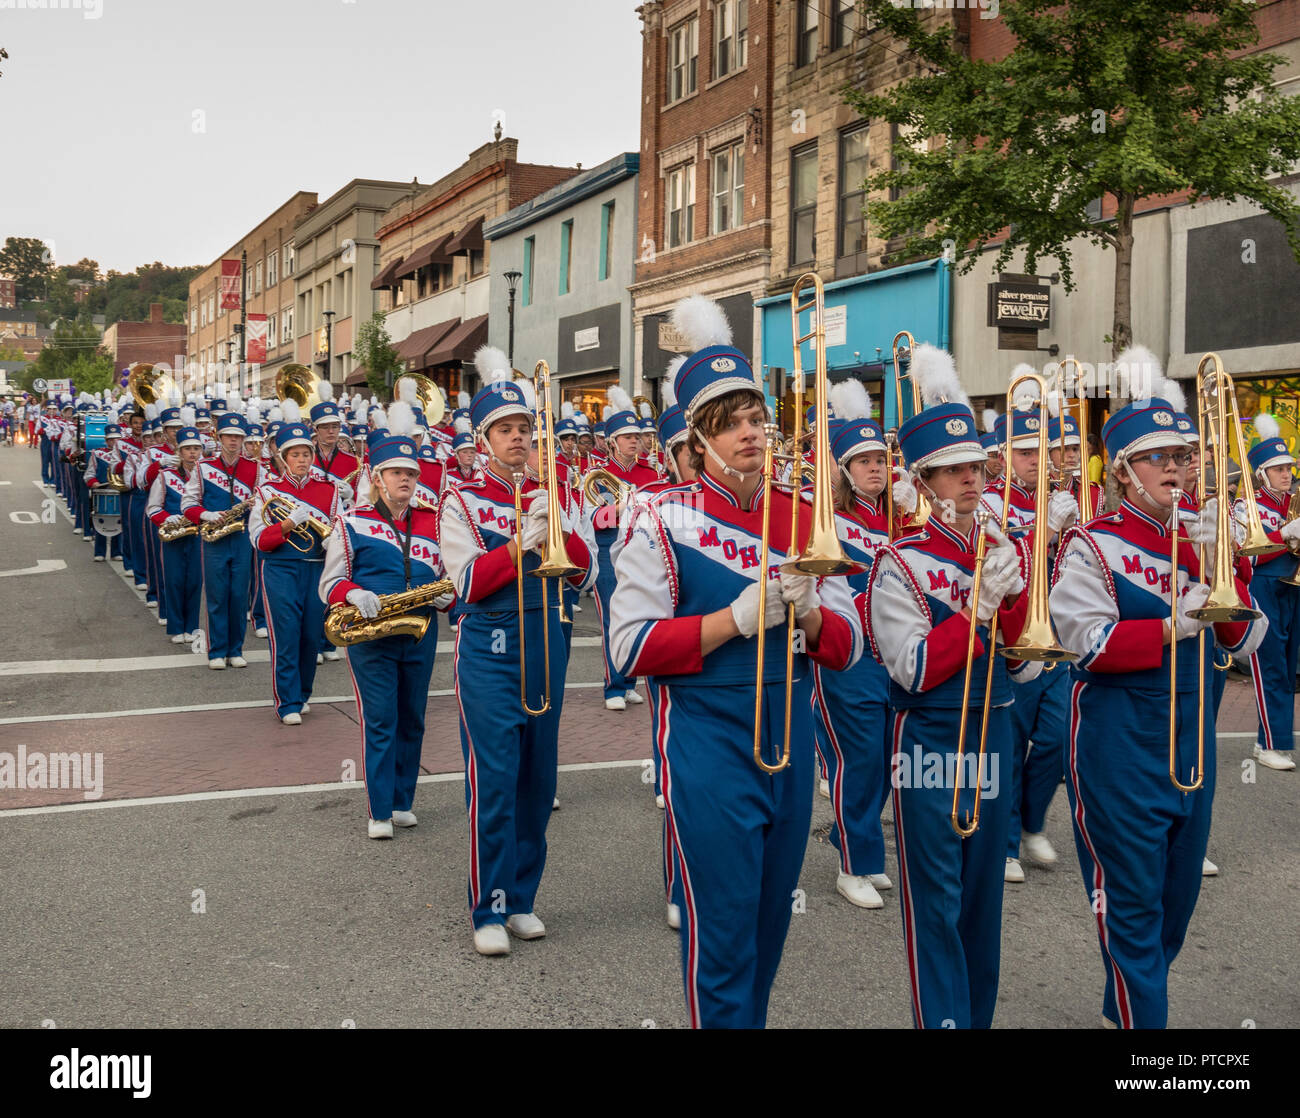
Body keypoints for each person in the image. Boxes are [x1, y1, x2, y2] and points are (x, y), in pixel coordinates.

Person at [609, 295, 861, 1028]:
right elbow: (629, 649)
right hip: (710, 740)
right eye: (733, 423)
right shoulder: (659, 514)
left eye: (757, 418)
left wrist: (809, 610)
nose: (753, 432)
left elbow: (845, 648)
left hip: (792, 734)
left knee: (770, 925)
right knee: (721, 933)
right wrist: (733, 620)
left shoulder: (802, 510)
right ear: (698, 439)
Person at [1049, 385, 1266, 1028]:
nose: (1175, 468)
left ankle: (1127, 1003)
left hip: (1193, 736)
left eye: (1183, 455)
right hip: (1119, 741)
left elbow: (1249, 639)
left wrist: (1218, 566)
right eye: (1156, 457)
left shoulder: (1205, 533)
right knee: (1134, 907)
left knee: (1176, 900)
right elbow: (1084, 646)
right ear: (1120, 471)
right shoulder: (1092, 544)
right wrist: (1175, 623)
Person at [867, 343, 1036, 1030]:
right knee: (934, 900)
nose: (971, 479)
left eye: (976, 466)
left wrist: (1016, 597)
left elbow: (1024, 659)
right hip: (930, 735)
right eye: (953, 470)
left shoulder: (1000, 547)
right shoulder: (897, 561)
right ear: (925, 481)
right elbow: (911, 667)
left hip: (994, 727)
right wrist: (978, 612)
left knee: (980, 897)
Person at [439, 363, 596, 957]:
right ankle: (490, 906)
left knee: (538, 778)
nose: (519, 438)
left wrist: (554, 523)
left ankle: (523, 898)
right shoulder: (460, 498)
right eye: (504, 429)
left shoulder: (553, 494)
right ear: (482, 441)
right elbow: (466, 581)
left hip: (549, 639)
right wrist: (517, 542)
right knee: (496, 779)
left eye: (524, 427)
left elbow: (587, 573)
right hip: (490, 645)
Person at [981, 387, 1080, 884]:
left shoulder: (1063, 499)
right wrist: (1046, 529)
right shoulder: (986, 504)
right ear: (1002, 456)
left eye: (1041, 451)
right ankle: (1003, 840)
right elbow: (1003, 568)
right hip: (1012, 639)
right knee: (1010, 740)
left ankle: (1031, 821)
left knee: (1059, 739)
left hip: (1057, 635)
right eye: (1023, 452)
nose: (1034, 461)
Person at [813, 381, 895, 911]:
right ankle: (855, 863)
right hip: (851, 653)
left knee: (887, 757)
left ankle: (855, 840)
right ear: (843, 469)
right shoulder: (828, 518)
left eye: (880, 459)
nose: (874, 468)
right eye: (862, 460)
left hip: (898, 655)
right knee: (859, 757)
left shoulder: (905, 515)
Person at [250, 420, 340, 725]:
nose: (302, 460)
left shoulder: (329, 490)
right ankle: (286, 701)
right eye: (295, 455)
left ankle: (301, 694)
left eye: (306, 454)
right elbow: (259, 539)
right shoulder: (268, 490)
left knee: (311, 636)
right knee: (286, 634)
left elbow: (339, 531)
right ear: (283, 458)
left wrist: (334, 541)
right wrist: (287, 525)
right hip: (280, 569)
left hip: (316, 569)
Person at [1235, 413, 1299, 772]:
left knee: (1289, 667)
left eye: (1288, 468)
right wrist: (1288, 534)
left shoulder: (1292, 502)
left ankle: (1269, 739)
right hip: (1264, 586)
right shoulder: (1248, 505)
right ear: (1262, 474)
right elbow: (1248, 552)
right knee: (1270, 665)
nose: (1286, 474)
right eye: (1278, 470)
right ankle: (1270, 744)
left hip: (1292, 585)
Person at [589, 389, 658, 711]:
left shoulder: (651, 474)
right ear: (612, 442)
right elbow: (595, 518)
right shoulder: (598, 475)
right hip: (609, 547)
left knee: (641, 614)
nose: (635, 442)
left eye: (637, 436)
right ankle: (613, 685)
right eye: (627, 437)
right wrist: (623, 507)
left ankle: (630, 680)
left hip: (642, 546)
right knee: (612, 619)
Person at [182, 410, 261, 669]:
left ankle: (235, 650)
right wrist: (207, 514)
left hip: (241, 538)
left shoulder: (255, 467)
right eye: (229, 436)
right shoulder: (204, 468)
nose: (233, 442)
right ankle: (216, 651)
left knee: (239, 595)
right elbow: (188, 503)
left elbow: (265, 503)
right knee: (217, 596)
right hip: (214, 538)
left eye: (238, 437)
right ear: (219, 437)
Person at [146, 424, 204, 643]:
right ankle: (176, 626)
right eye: (187, 449)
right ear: (178, 452)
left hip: (198, 535)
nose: (192, 453)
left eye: (196, 449)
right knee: (174, 580)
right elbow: (152, 508)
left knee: (194, 582)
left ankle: (192, 626)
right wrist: (166, 518)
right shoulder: (165, 475)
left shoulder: (206, 475)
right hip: (173, 536)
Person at [83, 423, 125, 563]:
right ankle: (99, 552)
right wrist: (93, 482)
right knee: (100, 521)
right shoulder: (98, 453)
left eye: (117, 440)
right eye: (111, 440)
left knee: (119, 523)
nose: (114, 443)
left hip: (119, 492)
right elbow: (89, 474)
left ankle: (116, 551)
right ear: (106, 440)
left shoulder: (126, 456)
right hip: (102, 492)